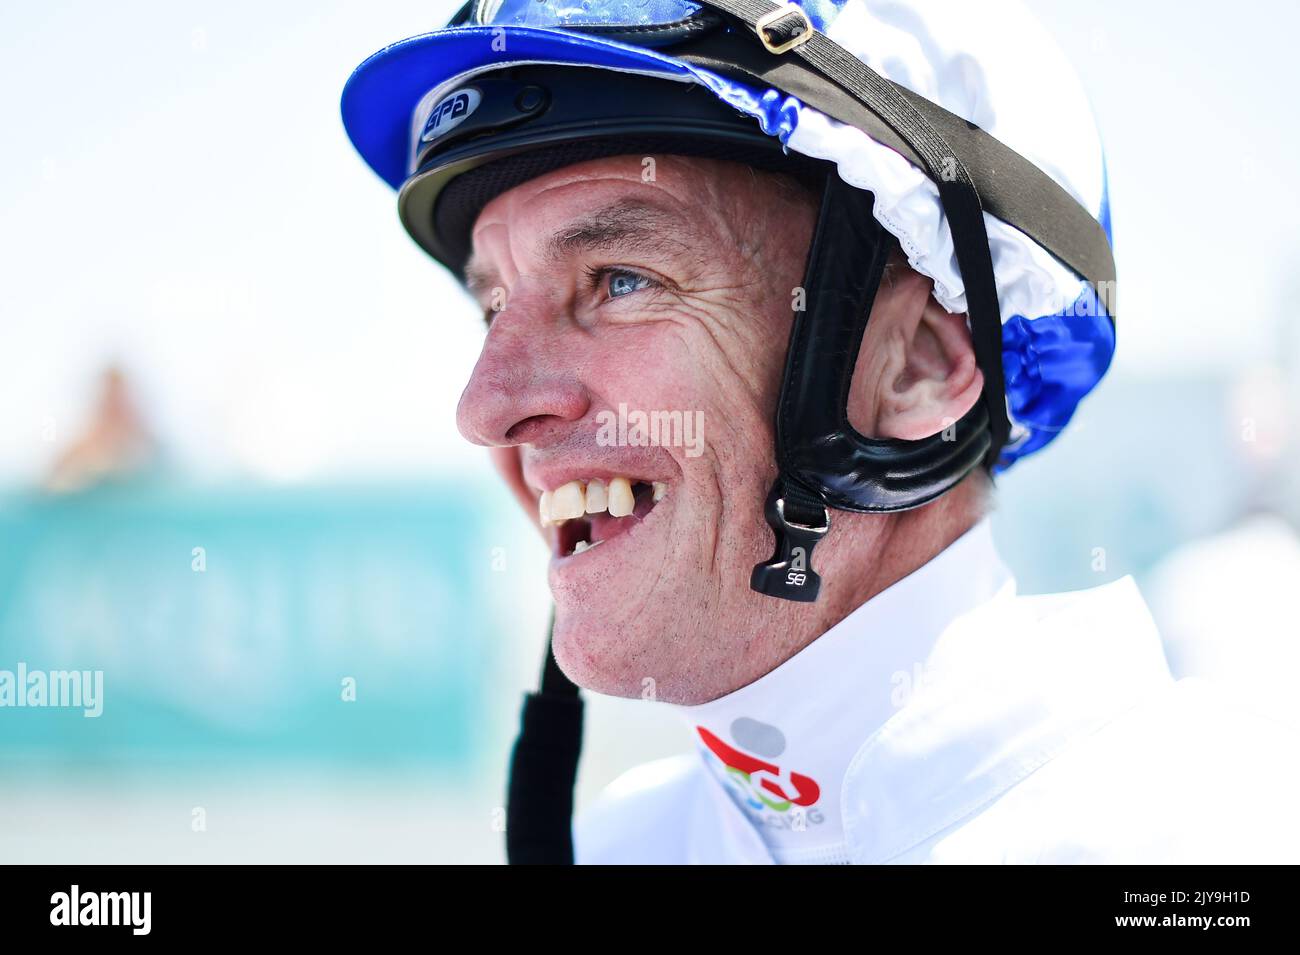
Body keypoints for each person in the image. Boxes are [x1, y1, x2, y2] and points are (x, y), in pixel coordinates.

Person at [342, 0, 1299, 863]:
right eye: (492, 306)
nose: (485, 407)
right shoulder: (610, 845)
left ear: (920, 363)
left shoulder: (1227, 839)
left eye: (620, 279)